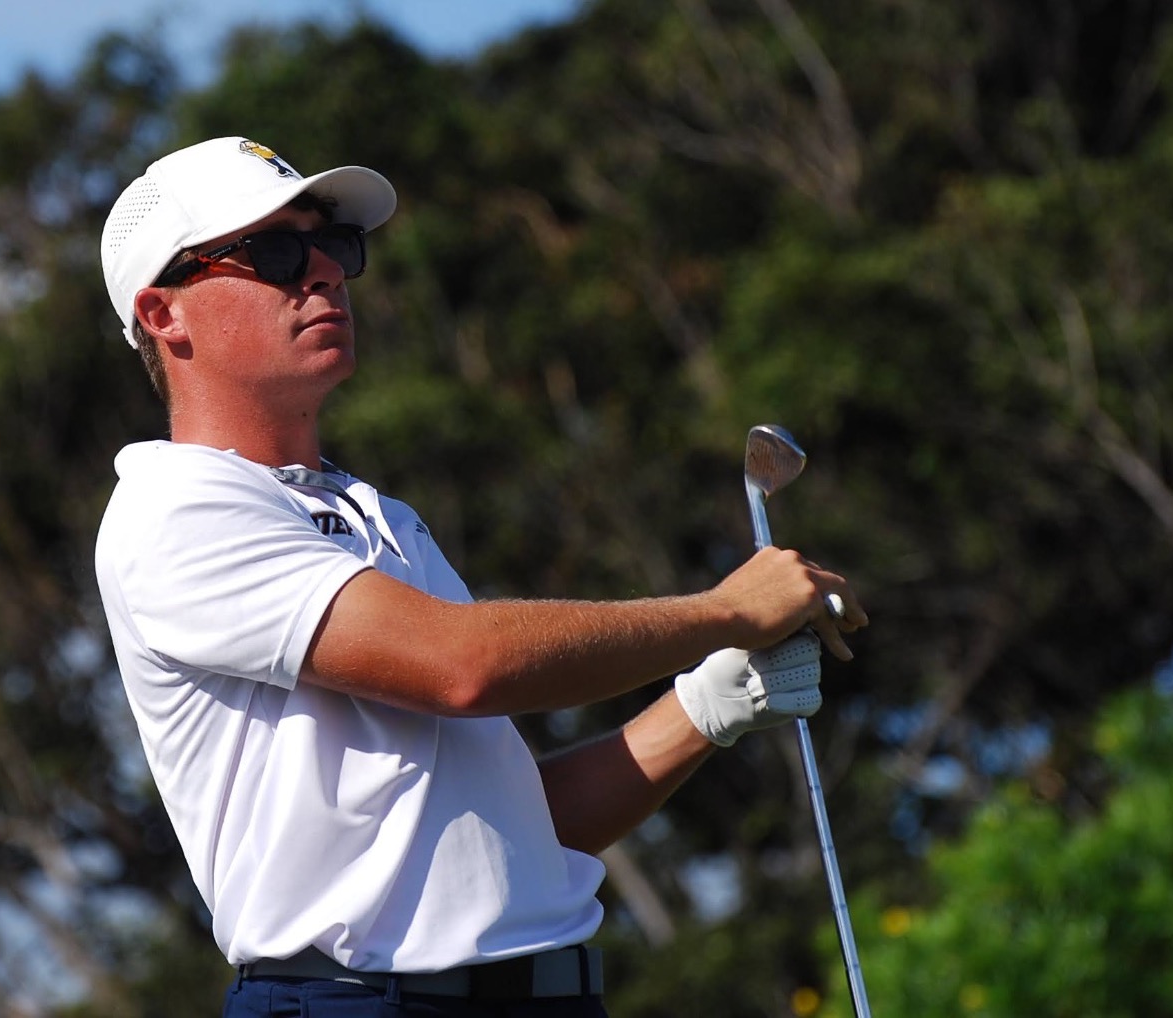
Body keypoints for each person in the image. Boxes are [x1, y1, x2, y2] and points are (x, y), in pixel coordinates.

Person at [95, 137, 866, 1017]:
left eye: (333, 246)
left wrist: (706, 706)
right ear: (164, 314)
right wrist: (725, 611)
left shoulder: (379, 515)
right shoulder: (175, 506)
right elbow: (463, 667)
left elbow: (526, 829)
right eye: (274, 252)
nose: (325, 272)